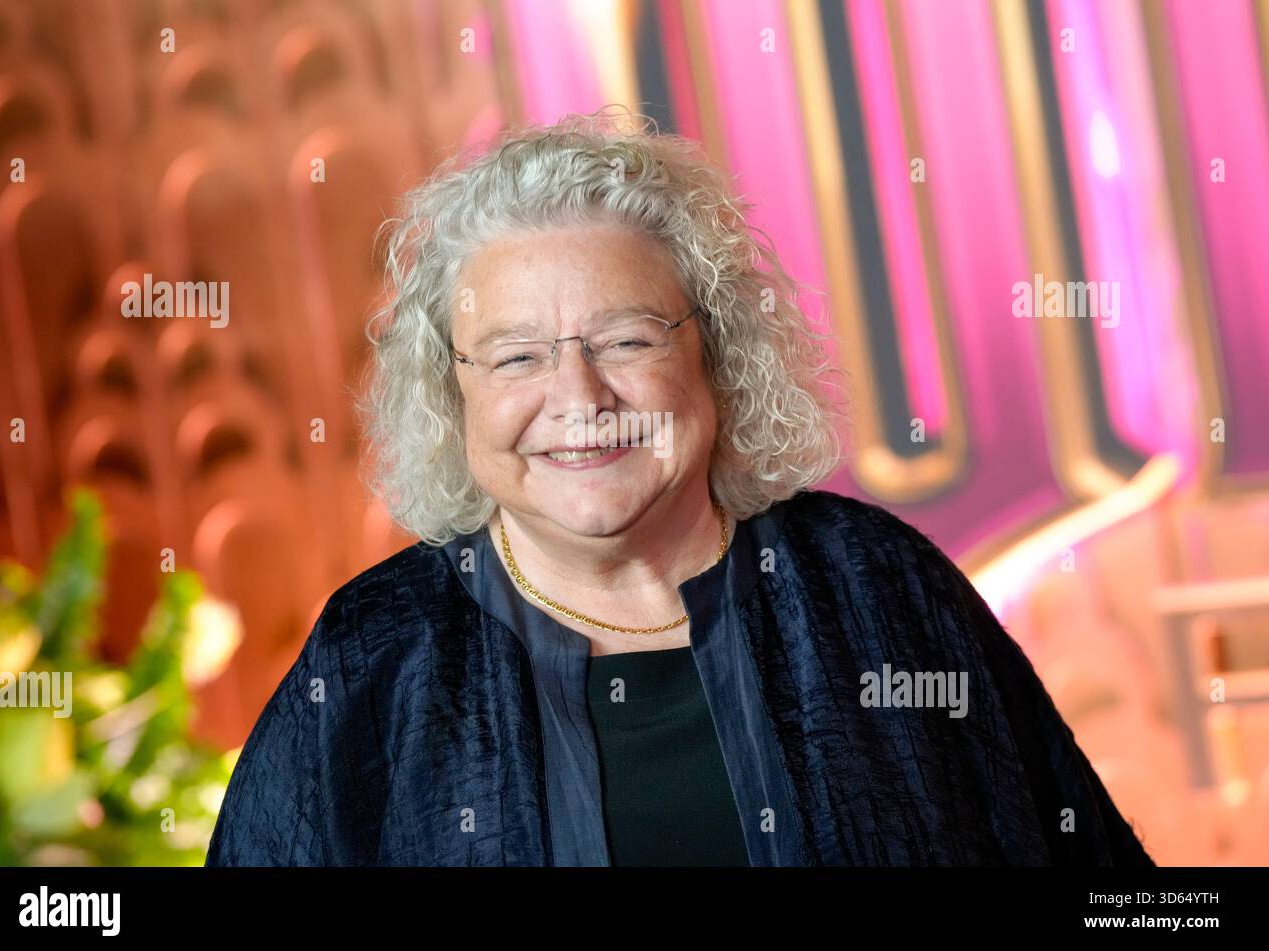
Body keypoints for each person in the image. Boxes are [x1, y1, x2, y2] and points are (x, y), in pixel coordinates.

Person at [205, 107, 1154, 867]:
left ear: (717, 354)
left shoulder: (879, 582)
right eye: (516, 356)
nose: (579, 397)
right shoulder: (375, 652)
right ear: (453, 395)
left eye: (626, 339)